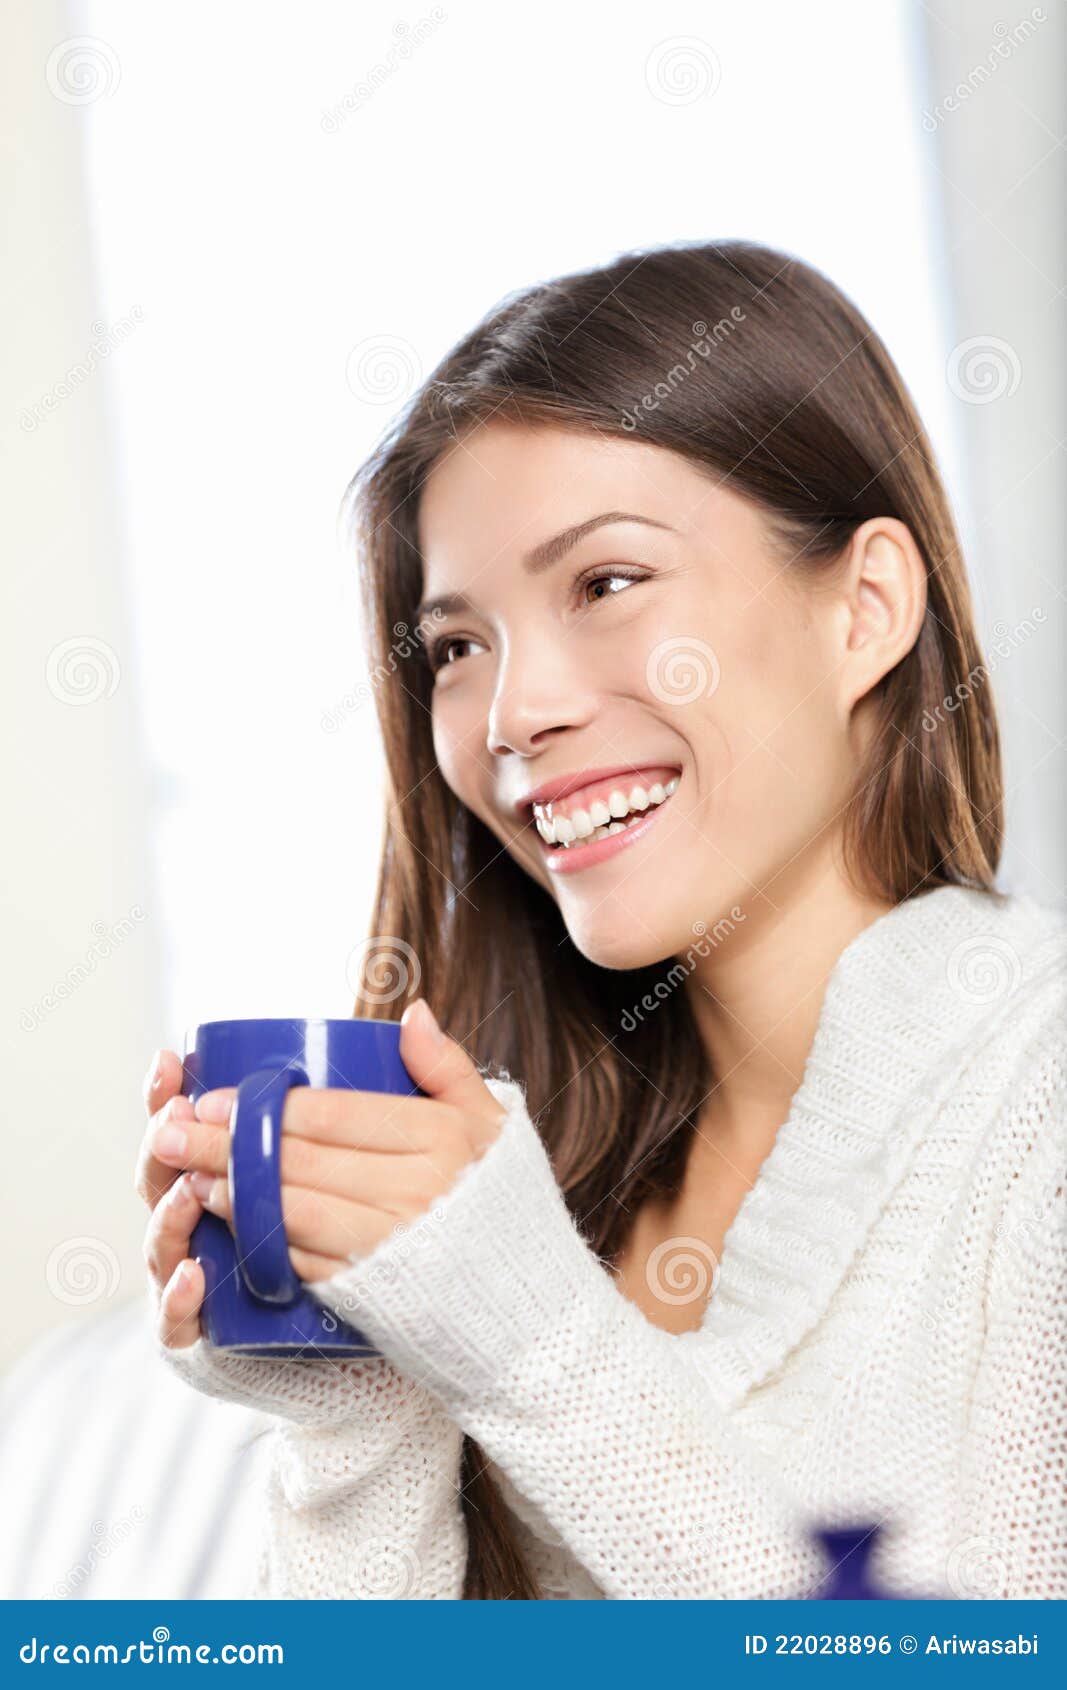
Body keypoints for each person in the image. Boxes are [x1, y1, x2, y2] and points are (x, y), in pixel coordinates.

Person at [136, 240, 1066, 1600]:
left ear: (865, 610)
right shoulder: (539, 1160)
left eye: (607, 583)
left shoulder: (1035, 1104)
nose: (512, 715)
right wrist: (359, 1405)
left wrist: (528, 1343)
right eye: (458, 645)